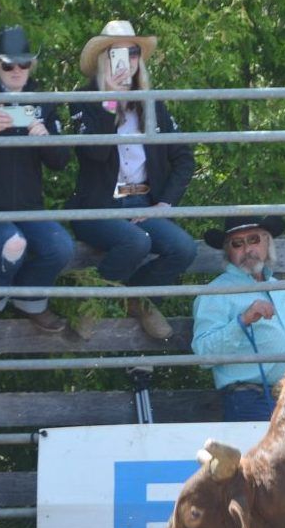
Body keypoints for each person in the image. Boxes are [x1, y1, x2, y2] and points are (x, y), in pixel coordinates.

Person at [67, 20, 196, 340]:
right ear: (103, 59)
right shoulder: (85, 99)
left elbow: (184, 158)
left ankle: (138, 298)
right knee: (137, 242)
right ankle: (91, 305)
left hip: (143, 204)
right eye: (116, 53)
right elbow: (93, 156)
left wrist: (163, 204)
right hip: (98, 206)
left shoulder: (152, 103)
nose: (127, 60)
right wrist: (112, 102)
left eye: (133, 52)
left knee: (184, 248)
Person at [0, 25, 73, 334]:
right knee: (13, 243)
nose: (17, 70)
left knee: (61, 247)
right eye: (9, 64)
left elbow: (61, 162)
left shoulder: (43, 102)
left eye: (24, 63)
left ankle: (29, 301)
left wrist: (45, 138)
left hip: (29, 209)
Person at [192, 216, 285, 421]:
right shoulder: (214, 293)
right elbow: (203, 354)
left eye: (254, 240)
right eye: (237, 243)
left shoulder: (279, 287)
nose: (247, 249)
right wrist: (243, 320)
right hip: (249, 398)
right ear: (228, 251)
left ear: (266, 242)